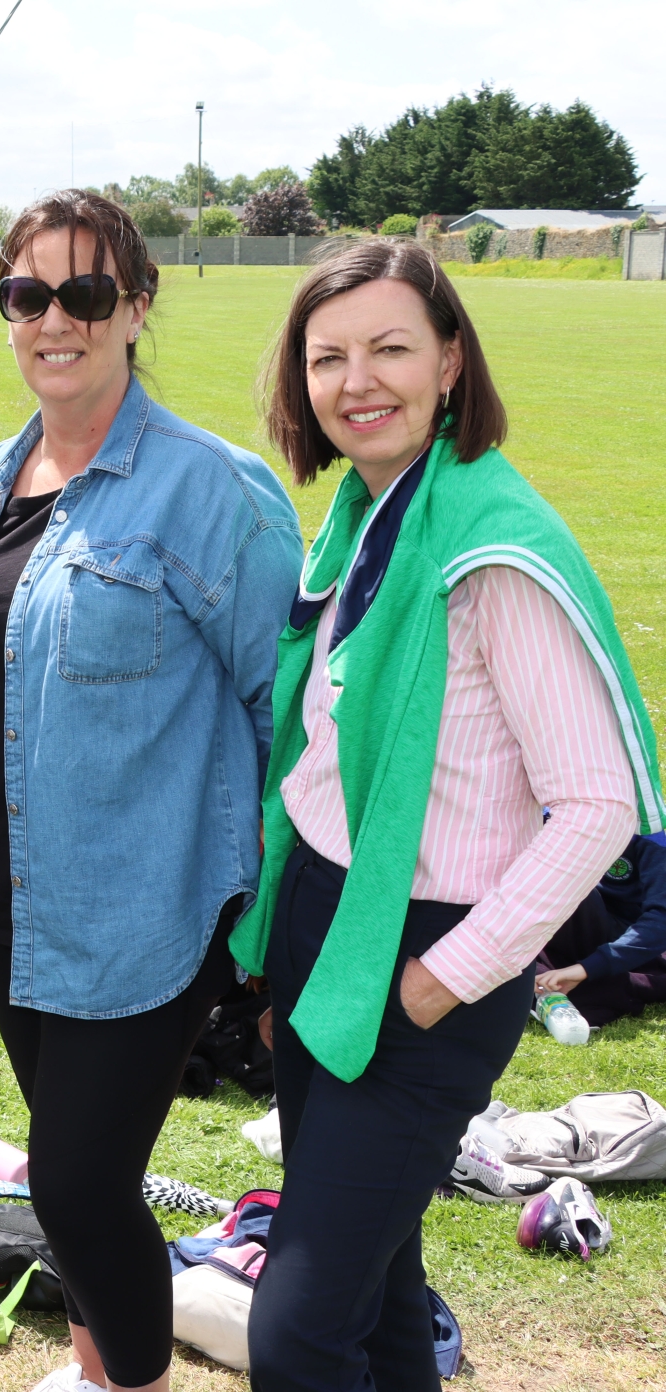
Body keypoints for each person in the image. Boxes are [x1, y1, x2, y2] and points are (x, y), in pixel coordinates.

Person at [236, 238, 658, 1389]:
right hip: (332, 928)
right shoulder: (373, 514)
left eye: (389, 349)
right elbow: (324, 757)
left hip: (429, 958)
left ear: (452, 362)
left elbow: (596, 809)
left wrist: (443, 978)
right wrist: (290, 950)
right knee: (377, 1301)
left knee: (296, 1330)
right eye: (329, 358)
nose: (356, 381)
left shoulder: (488, 549)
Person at [0, 190, 304, 1392]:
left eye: (83, 293)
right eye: (27, 294)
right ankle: (93, 1360)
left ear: (136, 307)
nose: (53, 318)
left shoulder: (213, 490)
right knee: (84, 1181)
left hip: (147, 912)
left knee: (74, 1183)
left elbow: (282, 721)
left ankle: (120, 1378)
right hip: (9, 910)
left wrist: (265, 929)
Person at [533, 832, 666, 1027]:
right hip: (549, 929)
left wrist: (586, 969)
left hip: (621, 938)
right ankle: (543, 985)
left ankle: (560, 986)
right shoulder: (549, 817)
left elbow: (660, 921)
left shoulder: (650, 836)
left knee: (574, 888)